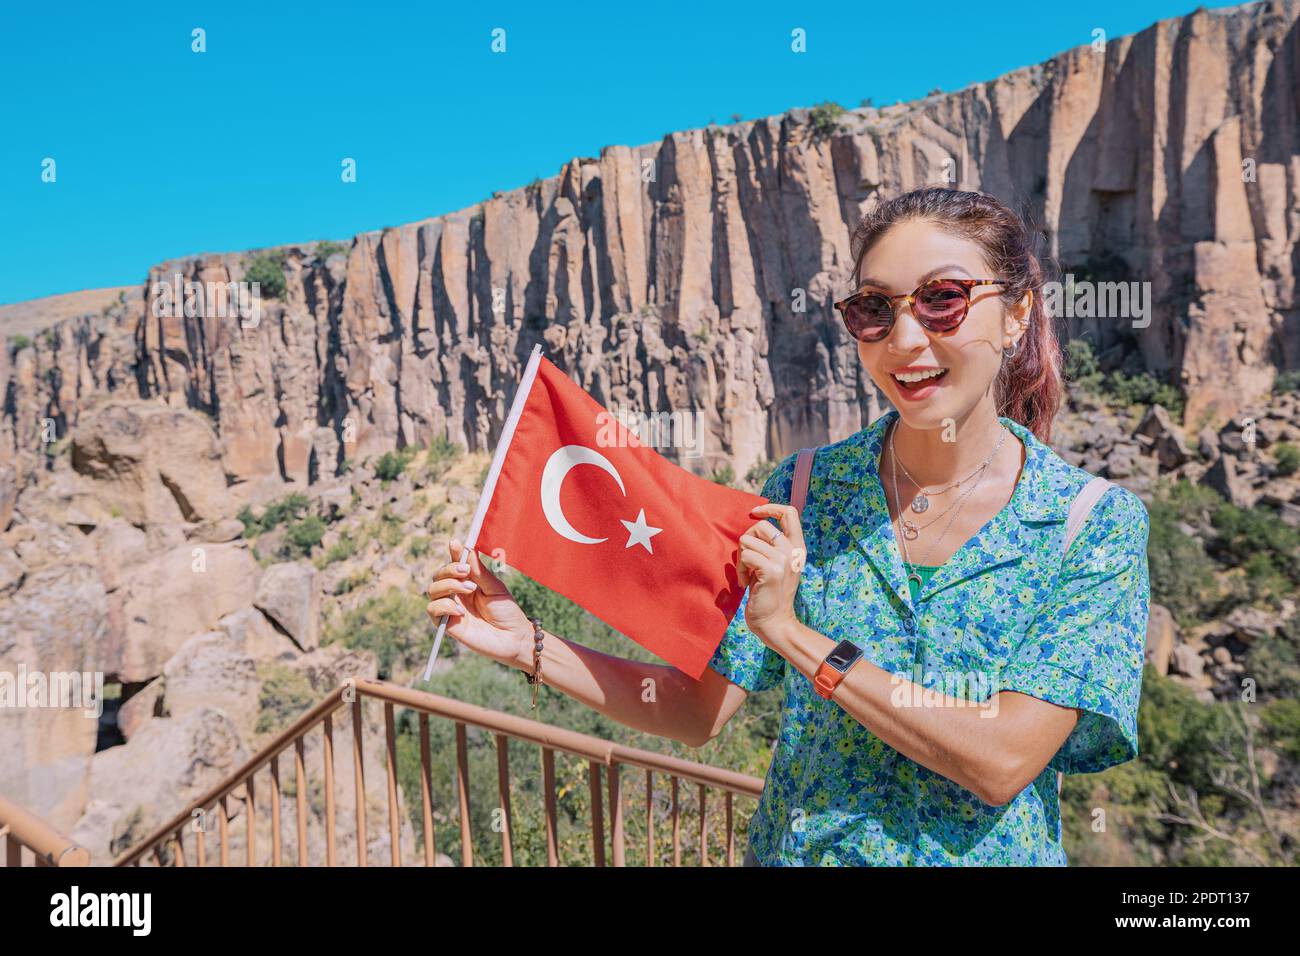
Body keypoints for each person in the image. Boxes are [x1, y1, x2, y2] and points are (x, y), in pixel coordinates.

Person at [425, 186, 1151, 866]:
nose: (905, 339)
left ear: (1017, 313)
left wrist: (797, 639)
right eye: (874, 309)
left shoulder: (1089, 525)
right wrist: (531, 645)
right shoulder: (803, 490)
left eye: (943, 300)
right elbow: (698, 710)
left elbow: (1002, 760)